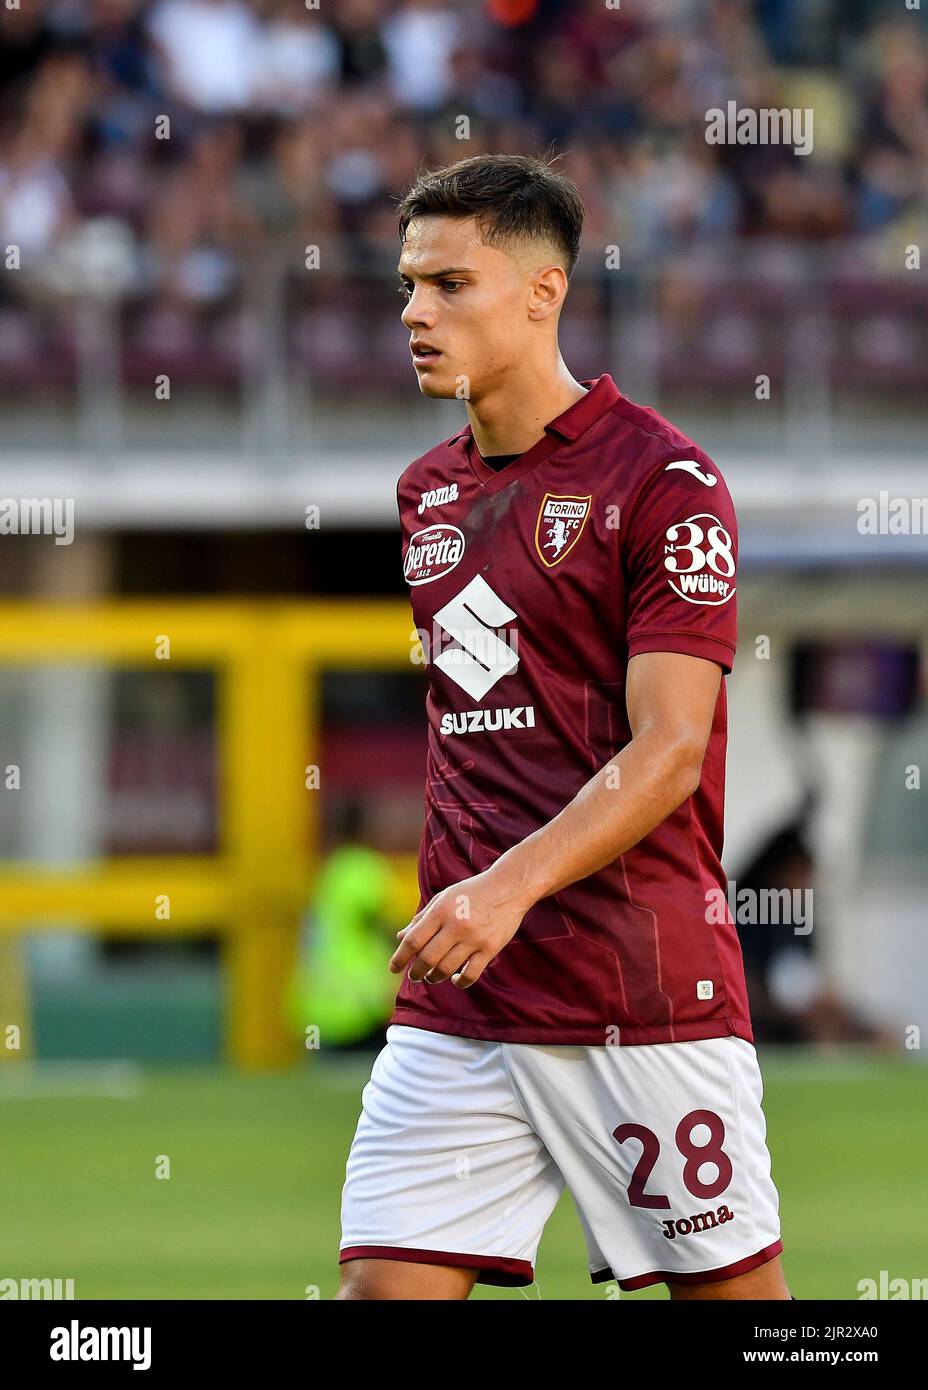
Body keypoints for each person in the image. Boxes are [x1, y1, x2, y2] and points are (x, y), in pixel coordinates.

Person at [336, 152, 790, 1300]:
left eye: (450, 285)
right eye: (406, 286)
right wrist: (475, 900)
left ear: (541, 294)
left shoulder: (666, 481)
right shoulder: (424, 493)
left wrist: (503, 886)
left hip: (635, 993)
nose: (414, 313)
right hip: (462, 1003)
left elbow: (671, 750)